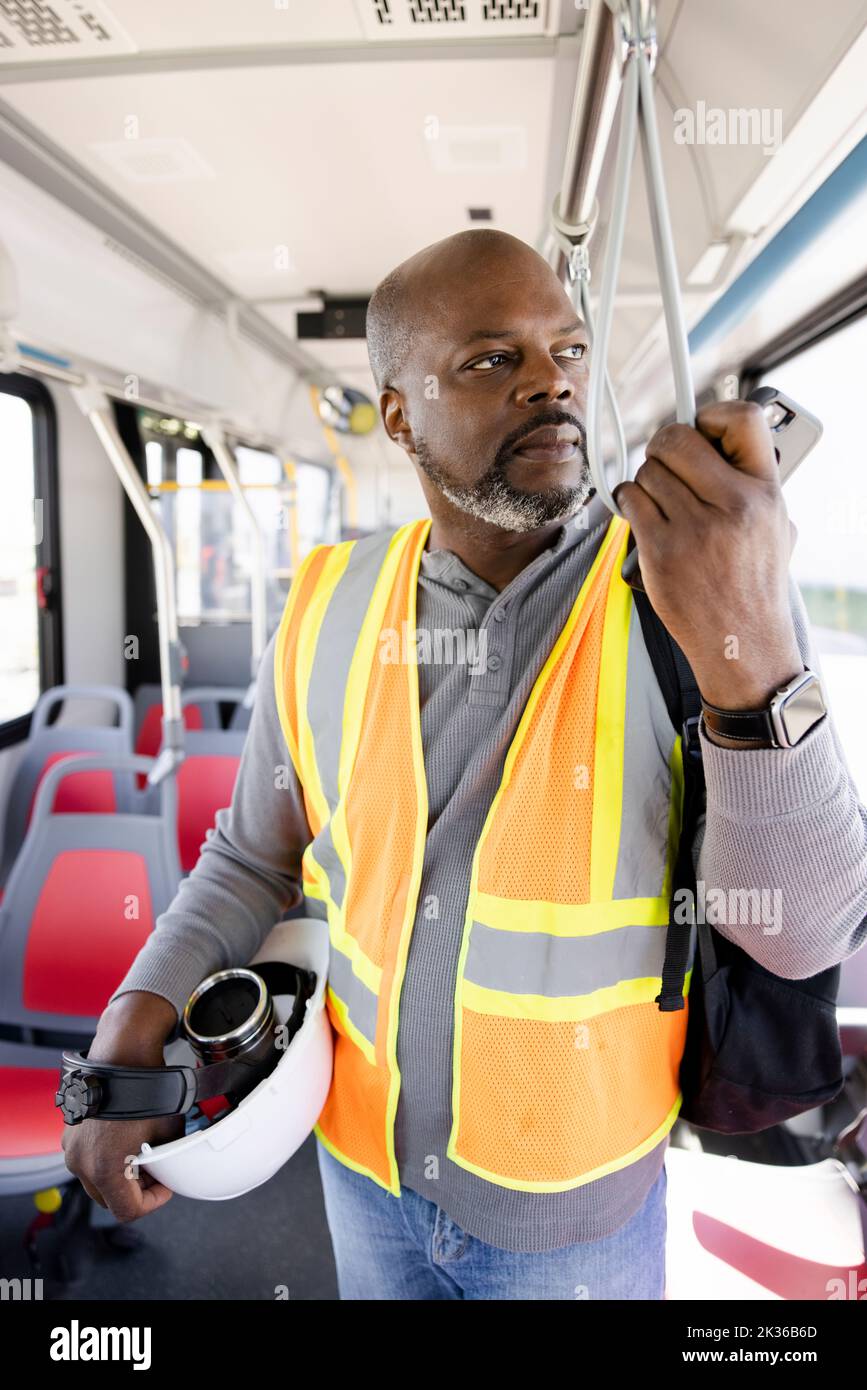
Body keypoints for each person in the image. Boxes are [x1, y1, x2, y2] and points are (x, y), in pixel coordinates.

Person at [64, 229, 867, 1300]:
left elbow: (807, 928)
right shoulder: (325, 603)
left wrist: (757, 643)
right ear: (398, 412)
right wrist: (135, 1016)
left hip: (576, 1211)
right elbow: (255, 856)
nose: (551, 382)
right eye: (493, 359)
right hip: (361, 1172)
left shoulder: (702, 586)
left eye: (568, 351)